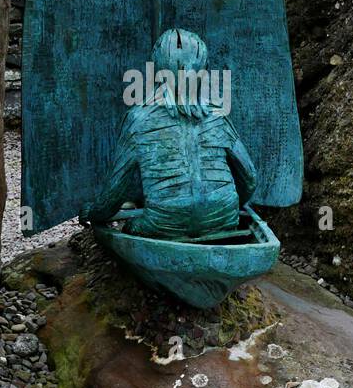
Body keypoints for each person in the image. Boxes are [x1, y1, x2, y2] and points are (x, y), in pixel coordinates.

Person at [81, 28, 256, 241]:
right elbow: (249, 178)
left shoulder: (138, 118)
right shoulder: (218, 114)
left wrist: (93, 212)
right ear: (206, 69)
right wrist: (226, 205)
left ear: (155, 72)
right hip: (224, 218)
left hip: (162, 224)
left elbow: (115, 192)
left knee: (132, 227)